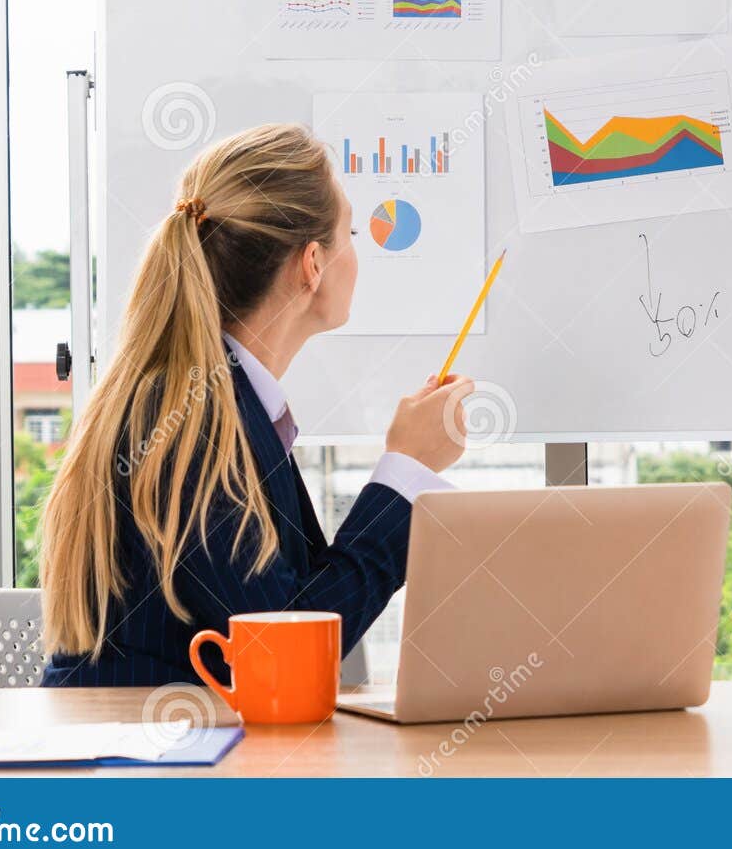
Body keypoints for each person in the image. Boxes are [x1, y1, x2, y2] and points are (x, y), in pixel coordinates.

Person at [39, 123, 474, 686]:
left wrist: (407, 470)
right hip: (151, 761)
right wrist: (406, 474)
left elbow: (288, 601)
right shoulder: (192, 421)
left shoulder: (211, 399)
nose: (357, 255)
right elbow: (281, 648)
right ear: (312, 264)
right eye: (352, 235)